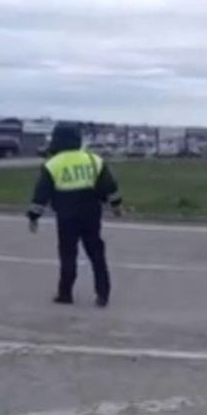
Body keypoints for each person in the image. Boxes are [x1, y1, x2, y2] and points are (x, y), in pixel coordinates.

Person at [26, 124, 122, 307]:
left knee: (68, 254)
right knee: (96, 254)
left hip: (66, 215)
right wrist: (116, 206)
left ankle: (65, 294)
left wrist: (33, 217)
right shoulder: (94, 160)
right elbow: (109, 187)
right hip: (91, 214)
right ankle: (103, 294)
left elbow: (41, 194)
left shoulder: (52, 164)